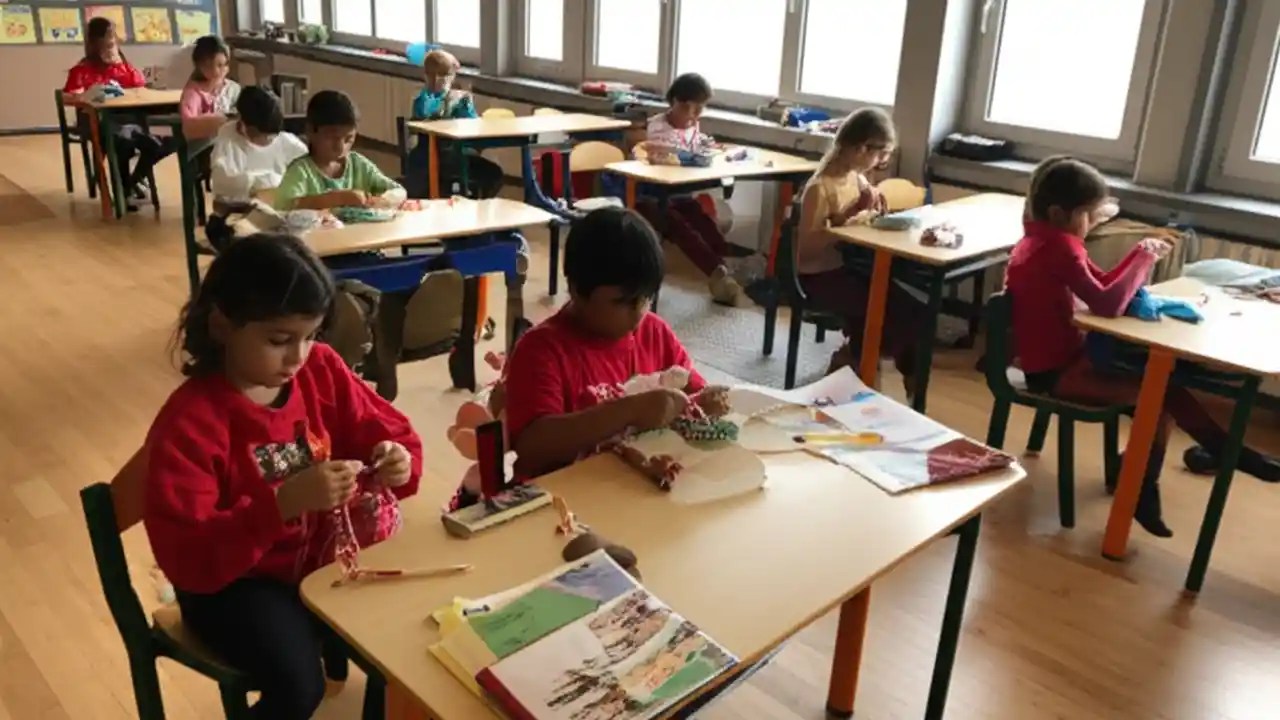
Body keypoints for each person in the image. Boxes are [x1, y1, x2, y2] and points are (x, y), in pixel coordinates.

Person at [143, 234, 423, 720]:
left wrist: (396, 458)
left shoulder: (319, 369)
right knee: (298, 687)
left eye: (310, 335)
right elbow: (189, 557)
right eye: (278, 340)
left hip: (314, 559)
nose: (298, 357)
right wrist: (281, 506)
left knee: (401, 639)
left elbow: (389, 431)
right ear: (222, 325)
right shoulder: (191, 422)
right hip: (232, 584)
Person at [1005, 155, 1280, 539]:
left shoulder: (1041, 239)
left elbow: (1100, 286)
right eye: (1090, 216)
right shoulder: (1059, 247)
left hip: (1066, 359)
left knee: (1162, 387)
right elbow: (1108, 303)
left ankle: (1203, 458)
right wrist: (1144, 255)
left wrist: (1137, 257)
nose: (1093, 225)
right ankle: (1148, 483)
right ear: (1059, 212)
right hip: (1056, 373)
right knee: (1159, 398)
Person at [448, 208, 726, 505]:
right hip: (560, 501)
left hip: (635, 492)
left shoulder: (654, 333)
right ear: (577, 291)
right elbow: (533, 446)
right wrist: (630, 410)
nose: (638, 313)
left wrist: (706, 402)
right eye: (623, 302)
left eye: (645, 299)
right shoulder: (541, 350)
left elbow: (693, 394)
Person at [795, 108, 923, 393]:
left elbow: (864, 214)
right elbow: (805, 250)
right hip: (818, 275)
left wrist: (876, 209)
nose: (881, 163)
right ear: (861, 148)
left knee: (909, 305)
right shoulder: (820, 187)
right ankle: (856, 364)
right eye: (881, 155)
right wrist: (840, 225)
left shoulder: (856, 178)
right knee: (876, 309)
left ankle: (863, 363)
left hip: (850, 266)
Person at [637, 73, 744, 306]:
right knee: (682, 227)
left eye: (700, 109)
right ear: (675, 102)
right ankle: (718, 273)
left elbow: (695, 145)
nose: (695, 115)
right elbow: (664, 151)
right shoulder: (657, 126)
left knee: (702, 219)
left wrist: (709, 146)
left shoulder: (692, 124)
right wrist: (688, 154)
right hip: (651, 197)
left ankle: (727, 262)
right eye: (689, 108)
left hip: (680, 194)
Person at [63, 17, 174, 210]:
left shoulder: (122, 65)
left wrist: (120, 65)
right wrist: (87, 95)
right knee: (122, 141)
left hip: (131, 119)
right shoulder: (83, 69)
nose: (111, 41)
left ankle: (133, 180)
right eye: (106, 37)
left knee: (167, 138)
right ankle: (123, 190)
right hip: (98, 122)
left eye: (113, 36)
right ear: (94, 42)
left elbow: (140, 86)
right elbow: (68, 96)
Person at [274, 90, 406, 211]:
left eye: (348, 139)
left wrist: (382, 200)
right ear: (310, 132)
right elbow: (283, 207)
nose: (340, 147)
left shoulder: (358, 165)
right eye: (332, 138)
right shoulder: (301, 171)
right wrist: (337, 199)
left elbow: (398, 191)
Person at [406, 48, 503, 199]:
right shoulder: (445, 100)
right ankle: (476, 203)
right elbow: (470, 124)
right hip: (444, 160)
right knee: (493, 174)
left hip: (434, 159)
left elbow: (473, 125)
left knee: (491, 172)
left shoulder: (425, 99)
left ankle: (475, 203)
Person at [209, 85, 308, 202]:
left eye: (271, 136)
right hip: (238, 211)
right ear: (242, 120)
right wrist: (258, 181)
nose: (267, 140)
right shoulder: (229, 136)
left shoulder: (287, 143)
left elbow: (310, 174)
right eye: (259, 134)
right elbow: (219, 183)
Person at [180, 35, 241, 143]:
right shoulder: (193, 93)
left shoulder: (233, 89)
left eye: (221, 65)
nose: (216, 72)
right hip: (204, 148)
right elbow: (189, 128)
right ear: (199, 66)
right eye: (209, 65)